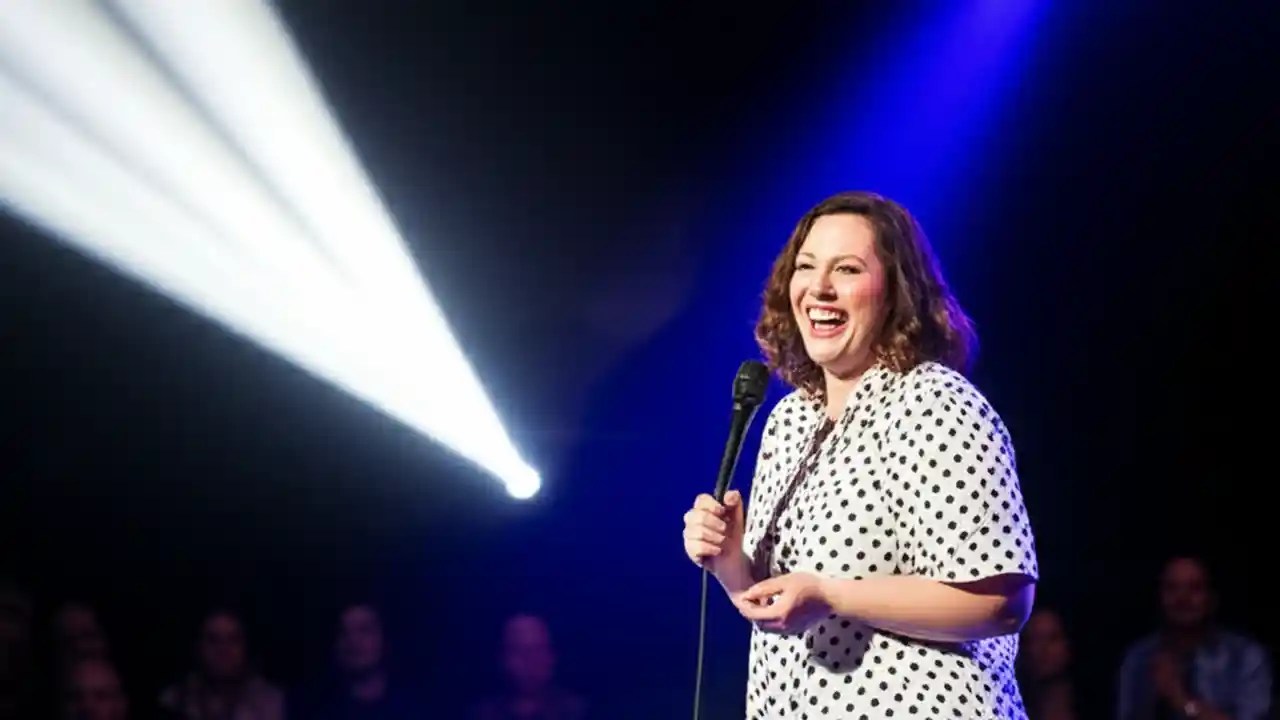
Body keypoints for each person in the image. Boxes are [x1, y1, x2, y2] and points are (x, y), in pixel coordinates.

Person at [681, 190, 1039, 718]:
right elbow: (784, 607)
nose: (819, 288)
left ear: (896, 292)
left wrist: (834, 596)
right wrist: (732, 565)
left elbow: (1001, 602)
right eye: (806, 266)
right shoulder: (790, 420)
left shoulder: (934, 403)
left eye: (847, 269)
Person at [1116, 556, 1271, 720]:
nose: (1182, 598)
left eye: (1195, 588)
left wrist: (1181, 700)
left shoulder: (1244, 657)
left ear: (1212, 598)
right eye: (1172, 588)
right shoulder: (1138, 658)